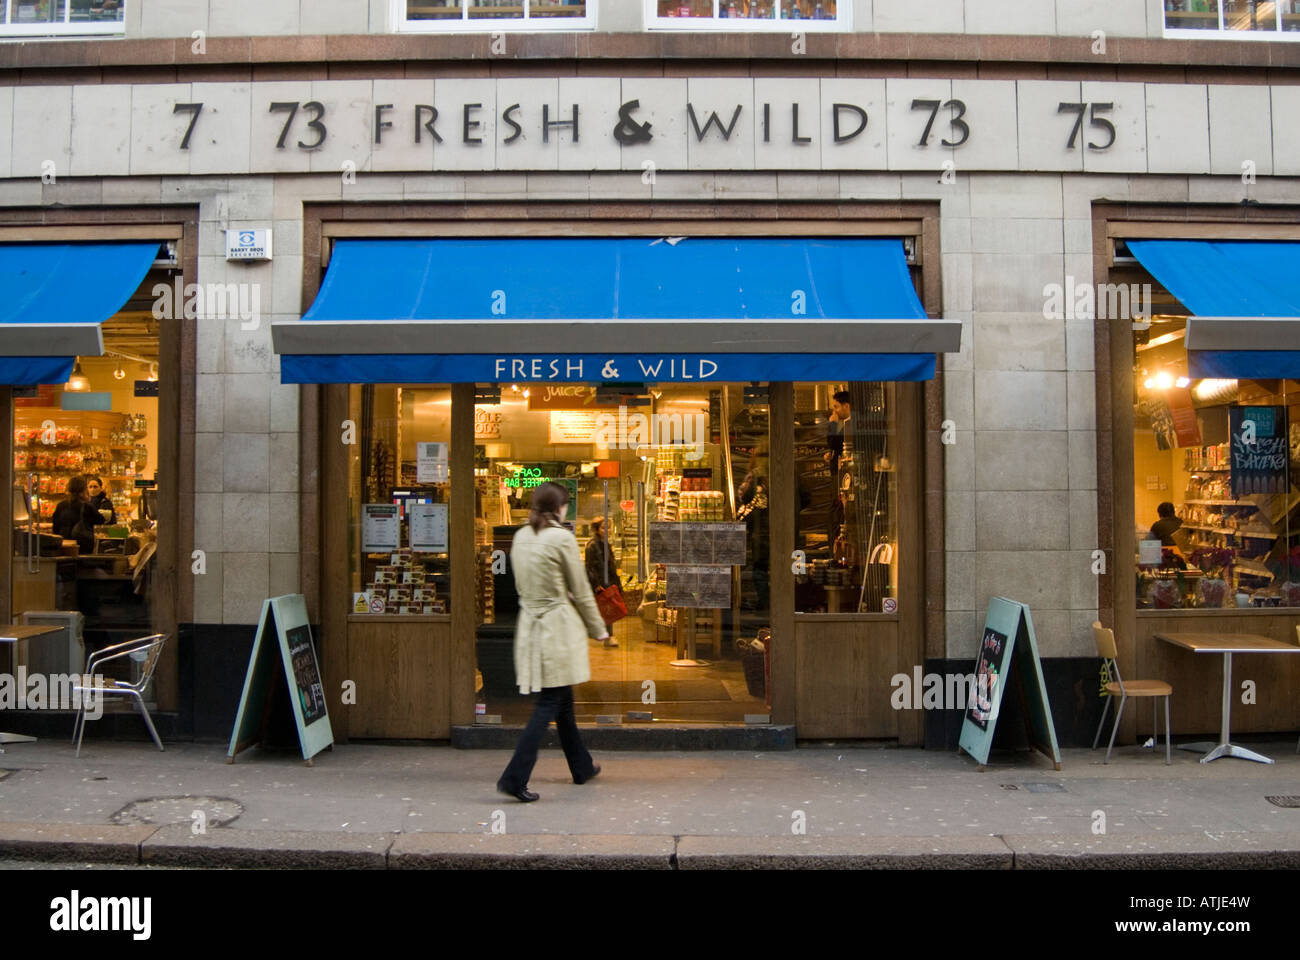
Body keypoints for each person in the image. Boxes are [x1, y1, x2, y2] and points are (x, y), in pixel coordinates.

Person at [497, 481, 607, 803]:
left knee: (563, 701)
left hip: (530, 625)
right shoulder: (562, 538)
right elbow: (582, 588)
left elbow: (523, 582)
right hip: (556, 630)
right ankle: (514, 777)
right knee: (548, 704)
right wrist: (598, 627)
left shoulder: (521, 536)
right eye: (566, 505)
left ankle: (581, 766)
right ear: (559, 508)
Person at [584, 517, 620, 648]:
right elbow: (589, 567)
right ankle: (607, 636)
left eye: (609, 528)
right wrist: (596, 584)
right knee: (604, 609)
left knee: (607, 609)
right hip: (600, 582)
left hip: (607, 581)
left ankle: (607, 635)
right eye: (604, 528)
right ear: (597, 529)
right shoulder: (592, 545)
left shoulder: (605, 544)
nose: (607, 530)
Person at [51, 476, 101, 554]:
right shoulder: (87, 507)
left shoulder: (61, 506)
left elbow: (55, 528)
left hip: (65, 549)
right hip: (84, 549)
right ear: (83, 492)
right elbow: (100, 526)